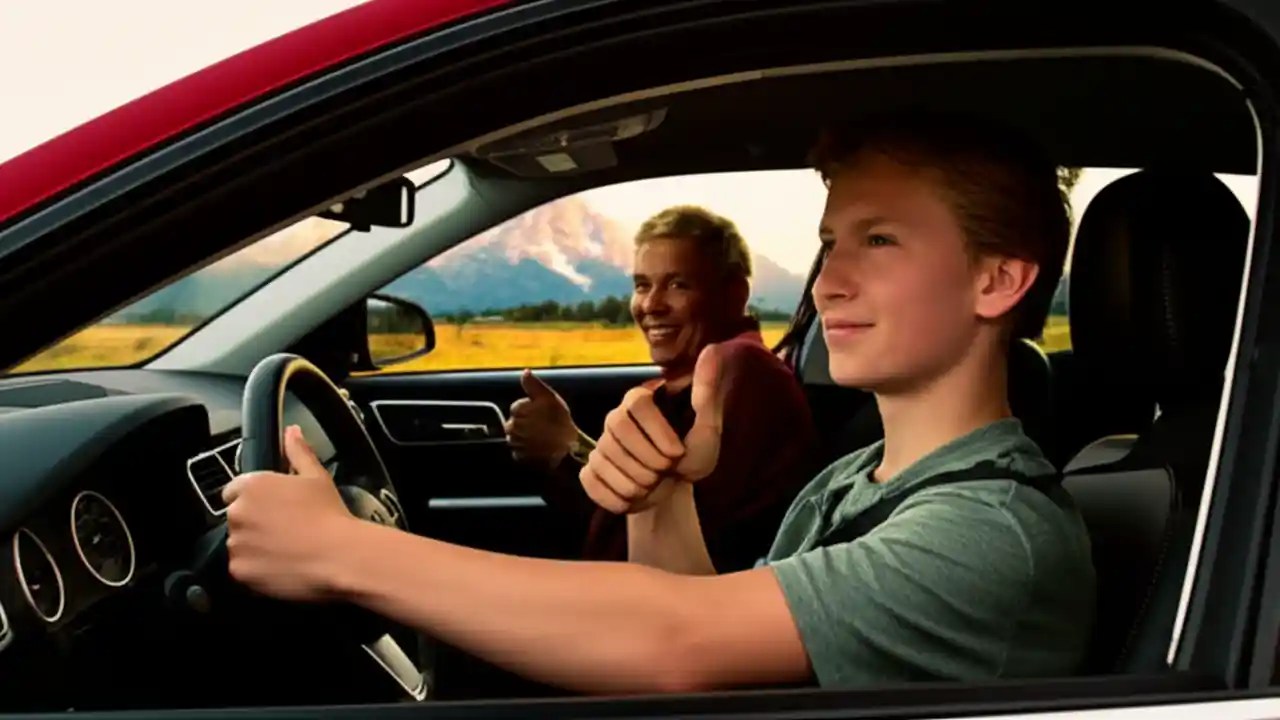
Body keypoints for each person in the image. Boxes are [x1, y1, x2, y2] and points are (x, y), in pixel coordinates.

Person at [221, 111, 1096, 694]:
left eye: (880, 240)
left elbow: (676, 641)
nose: (829, 282)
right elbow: (716, 657)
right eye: (830, 244)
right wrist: (661, 496)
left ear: (998, 279)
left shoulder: (992, 531)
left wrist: (344, 553)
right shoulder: (864, 480)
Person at [503, 205, 818, 571]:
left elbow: (677, 527)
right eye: (642, 285)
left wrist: (566, 446)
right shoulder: (684, 381)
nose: (651, 305)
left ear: (734, 293)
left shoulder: (739, 370)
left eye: (677, 284)